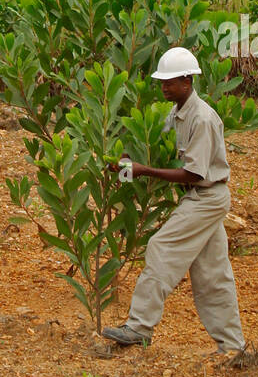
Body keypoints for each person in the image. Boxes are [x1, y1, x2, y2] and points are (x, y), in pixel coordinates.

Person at [102, 46, 248, 356]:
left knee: (161, 247)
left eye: (169, 82)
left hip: (205, 197)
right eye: (162, 82)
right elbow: (159, 146)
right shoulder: (176, 113)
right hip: (203, 197)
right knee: (212, 275)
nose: (164, 87)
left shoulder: (203, 119)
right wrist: (128, 163)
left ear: (187, 80)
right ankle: (234, 350)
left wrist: (143, 171)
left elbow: (193, 175)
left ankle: (140, 327)